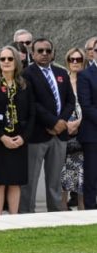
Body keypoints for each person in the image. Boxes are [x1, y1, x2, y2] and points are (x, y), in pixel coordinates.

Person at [21, 38, 74, 213]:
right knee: (31, 179)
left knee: (55, 180)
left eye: (48, 51)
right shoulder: (26, 74)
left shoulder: (61, 73)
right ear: (33, 53)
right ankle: (27, 214)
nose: (44, 54)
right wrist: (52, 122)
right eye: (40, 50)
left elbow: (70, 101)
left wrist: (62, 122)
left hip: (59, 135)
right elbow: (32, 103)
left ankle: (56, 213)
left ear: (53, 53)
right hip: (38, 133)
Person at [0, 45, 35, 215]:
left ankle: (15, 217)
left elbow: (32, 114)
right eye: (2, 59)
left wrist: (23, 137)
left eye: (10, 58)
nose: (6, 62)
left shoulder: (25, 85)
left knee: (15, 181)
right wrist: (1, 137)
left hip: (19, 139)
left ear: (17, 61)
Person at [60, 47, 85, 210]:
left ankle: (83, 208)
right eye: (71, 59)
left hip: (84, 131)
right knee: (61, 172)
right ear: (67, 61)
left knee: (83, 172)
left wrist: (79, 123)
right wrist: (65, 124)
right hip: (62, 131)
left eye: (78, 59)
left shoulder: (89, 80)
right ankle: (62, 207)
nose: (75, 62)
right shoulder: (61, 80)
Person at [78, 35, 97, 209]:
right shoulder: (85, 75)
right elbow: (86, 104)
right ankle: (91, 208)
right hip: (93, 133)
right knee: (92, 173)